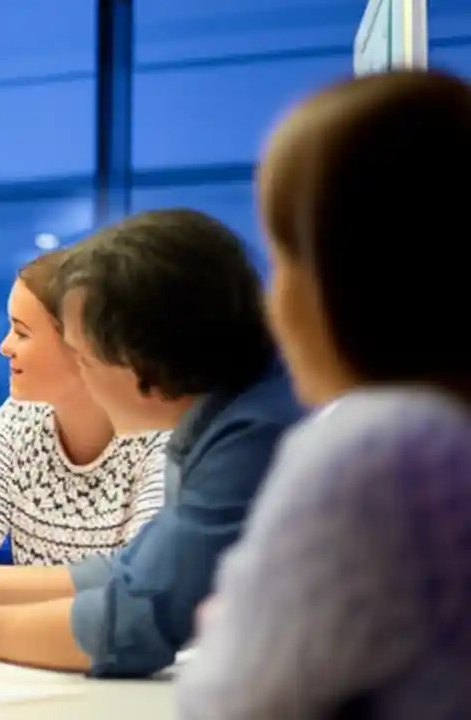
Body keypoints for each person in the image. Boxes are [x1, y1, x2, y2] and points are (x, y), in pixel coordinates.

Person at [0, 209, 303, 678]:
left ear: (143, 355)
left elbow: (137, 620)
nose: (87, 378)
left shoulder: (248, 435)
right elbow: (141, 571)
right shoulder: (226, 416)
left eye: (86, 358)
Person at [179, 71, 471, 718]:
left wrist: (231, 624)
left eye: (284, 257)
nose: (271, 299)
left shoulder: (387, 447)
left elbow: (231, 702)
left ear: (355, 276)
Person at [0, 249, 168, 566]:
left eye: (21, 332)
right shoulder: (13, 424)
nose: (5, 347)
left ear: (82, 346)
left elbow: (138, 588)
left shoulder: (163, 439)